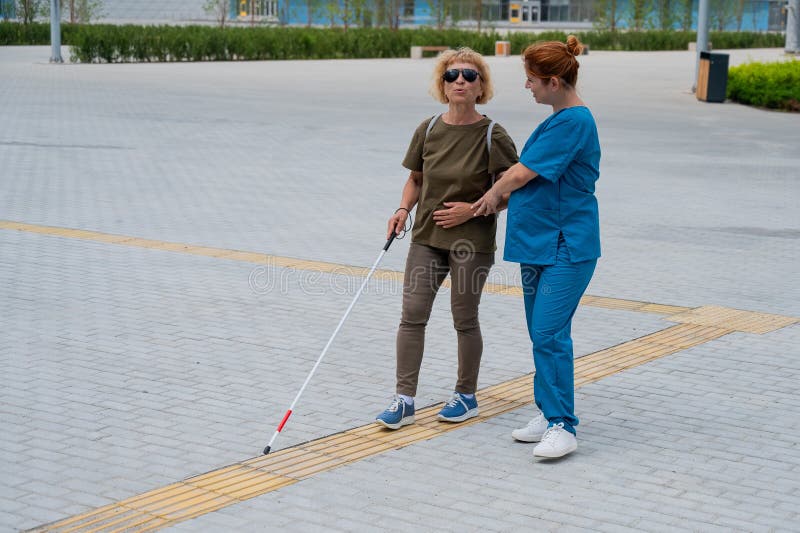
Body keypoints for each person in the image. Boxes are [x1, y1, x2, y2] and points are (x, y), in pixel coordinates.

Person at [375, 48, 518, 430]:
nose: (460, 81)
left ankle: (466, 395)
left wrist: (470, 211)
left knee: (464, 318)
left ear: (480, 86)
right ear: (442, 83)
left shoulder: (493, 134)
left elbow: (508, 191)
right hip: (426, 237)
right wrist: (403, 210)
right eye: (452, 75)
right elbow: (416, 179)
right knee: (412, 315)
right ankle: (404, 399)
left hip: (472, 242)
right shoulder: (428, 129)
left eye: (470, 76)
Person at [472, 35, 601, 459]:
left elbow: (522, 173)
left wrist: (493, 196)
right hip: (538, 243)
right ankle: (548, 413)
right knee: (540, 333)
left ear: (554, 82)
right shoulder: (555, 119)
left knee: (549, 332)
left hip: (567, 245)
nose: (527, 86)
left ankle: (564, 425)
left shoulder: (574, 122)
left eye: (532, 80)